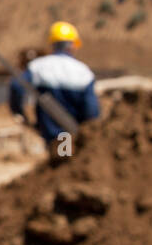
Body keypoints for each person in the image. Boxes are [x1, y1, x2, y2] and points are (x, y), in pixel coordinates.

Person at [8, 21, 100, 158]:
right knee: (64, 163)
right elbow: (91, 110)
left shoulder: (39, 67)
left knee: (59, 163)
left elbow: (16, 86)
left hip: (52, 134)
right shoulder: (83, 72)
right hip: (72, 136)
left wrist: (20, 112)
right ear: (73, 46)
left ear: (52, 44)